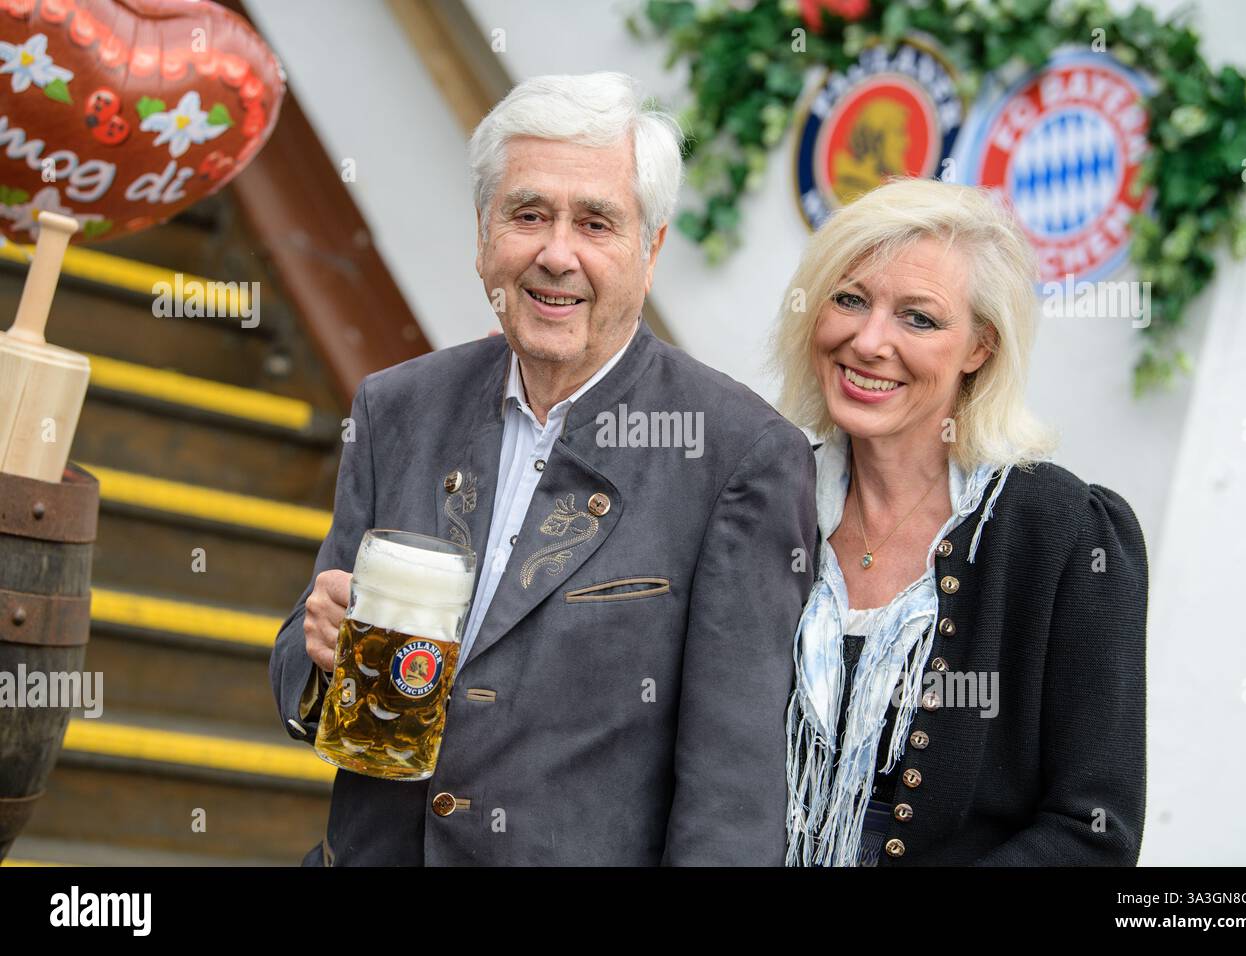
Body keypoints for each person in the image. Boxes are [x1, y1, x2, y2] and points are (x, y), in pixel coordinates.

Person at [269, 72, 818, 866]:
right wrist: (315, 657)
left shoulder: (739, 454)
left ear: (650, 250)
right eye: (528, 215)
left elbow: (732, 794)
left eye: (596, 223)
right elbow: (298, 661)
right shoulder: (396, 407)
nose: (556, 254)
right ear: (484, 234)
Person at [775, 177, 1147, 866]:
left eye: (918, 317)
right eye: (849, 299)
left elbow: (1093, 829)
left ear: (979, 348)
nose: (869, 340)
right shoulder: (762, 499)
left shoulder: (1060, 534)